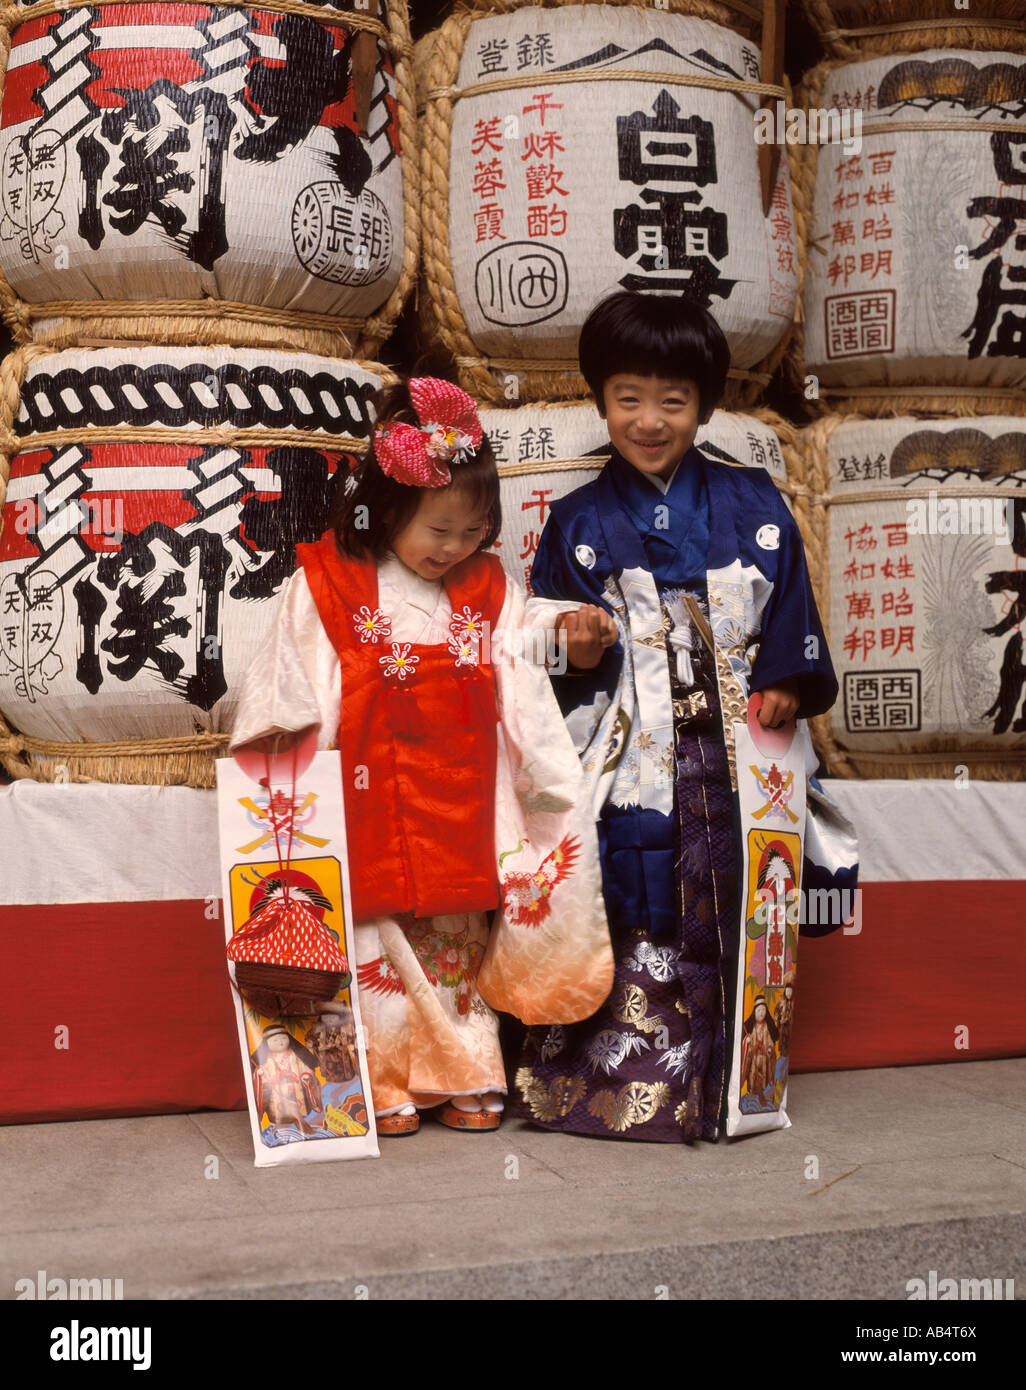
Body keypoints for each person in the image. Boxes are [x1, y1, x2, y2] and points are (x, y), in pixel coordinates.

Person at [231, 378, 612, 1136]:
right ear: (388, 506)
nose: (454, 548)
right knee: (379, 957)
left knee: (456, 959)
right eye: (438, 530)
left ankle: (468, 1075)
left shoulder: (482, 587)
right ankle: (386, 1080)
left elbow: (523, 634)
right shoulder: (332, 585)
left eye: (472, 532)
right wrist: (287, 759)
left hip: (461, 801)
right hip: (367, 799)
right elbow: (287, 685)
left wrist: (568, 627)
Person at [513, 291, 841, 1144]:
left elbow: (794, 618)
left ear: (704, 405)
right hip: (635, 748)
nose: (649, 421)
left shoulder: (756, 505)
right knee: (635, 882)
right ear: (599, 398)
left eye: (673, 400)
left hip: (740, 747)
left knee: (744, 883)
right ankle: (617, 1086)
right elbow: (542, 647)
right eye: (628, 398)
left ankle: (735, 1077)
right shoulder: (579, 522)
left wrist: (790, 680)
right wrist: (573, 644)